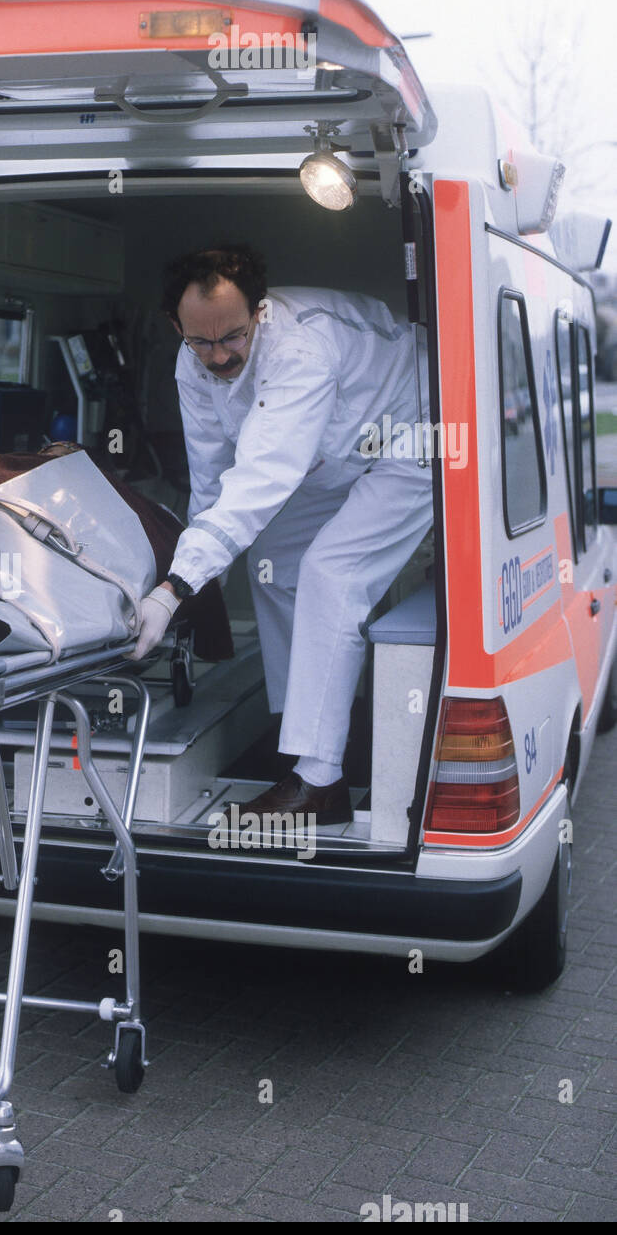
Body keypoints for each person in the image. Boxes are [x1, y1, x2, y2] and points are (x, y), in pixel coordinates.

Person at [133, 245, 431, 820]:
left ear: (260, 313)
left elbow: (263, 477)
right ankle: (304, 739)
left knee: (332, 573)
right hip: (333, 450)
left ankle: (320, 785)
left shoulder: (298, 351)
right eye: (202, 341)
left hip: (412, 426)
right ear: (178, 326)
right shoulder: (189, 362)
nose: (219, 357)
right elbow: (213, 481)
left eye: (234, 337)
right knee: (272, 561)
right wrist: (198, 582)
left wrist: (171, 592)